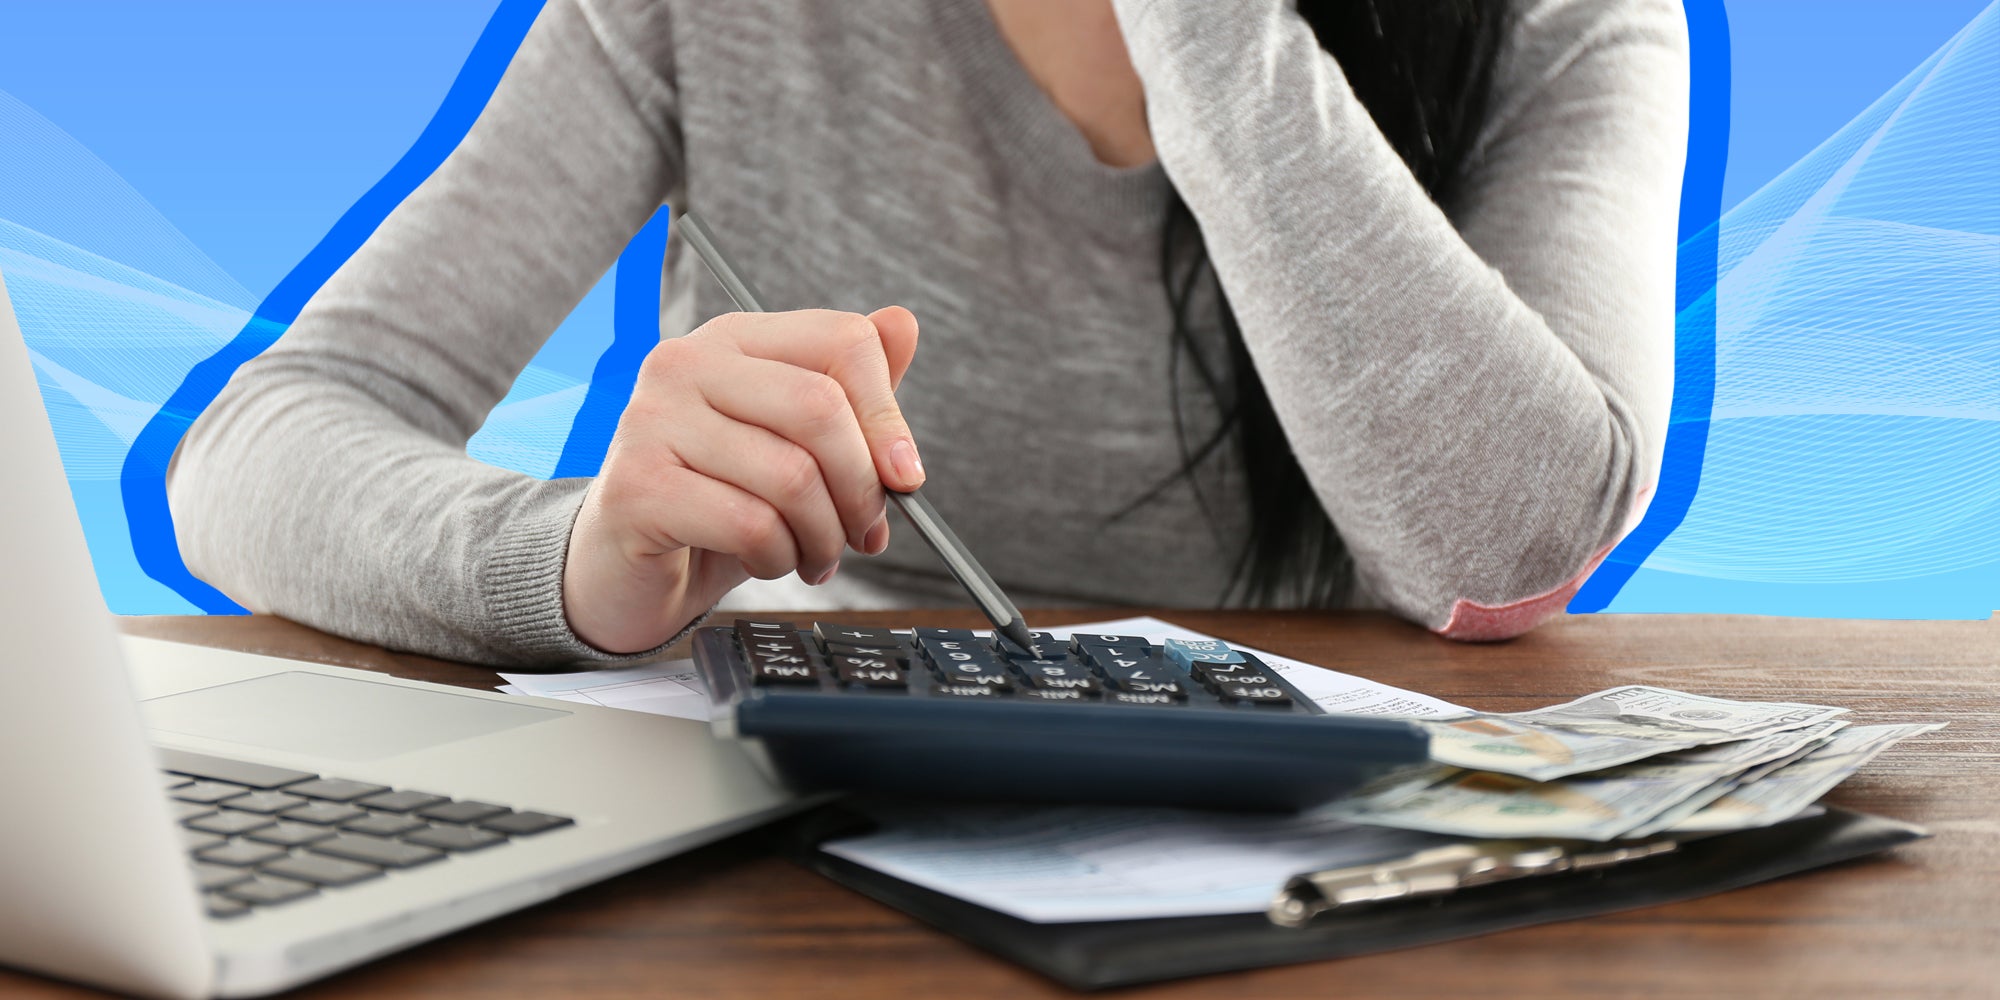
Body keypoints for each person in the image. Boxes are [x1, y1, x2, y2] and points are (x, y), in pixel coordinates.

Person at [167, 0, 1688, 665]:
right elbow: (257, 447)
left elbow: (1507, 546)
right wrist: (580, 563)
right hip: (810, 843)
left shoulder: (1563, 16)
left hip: (1338, 873)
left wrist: (1210, 25)